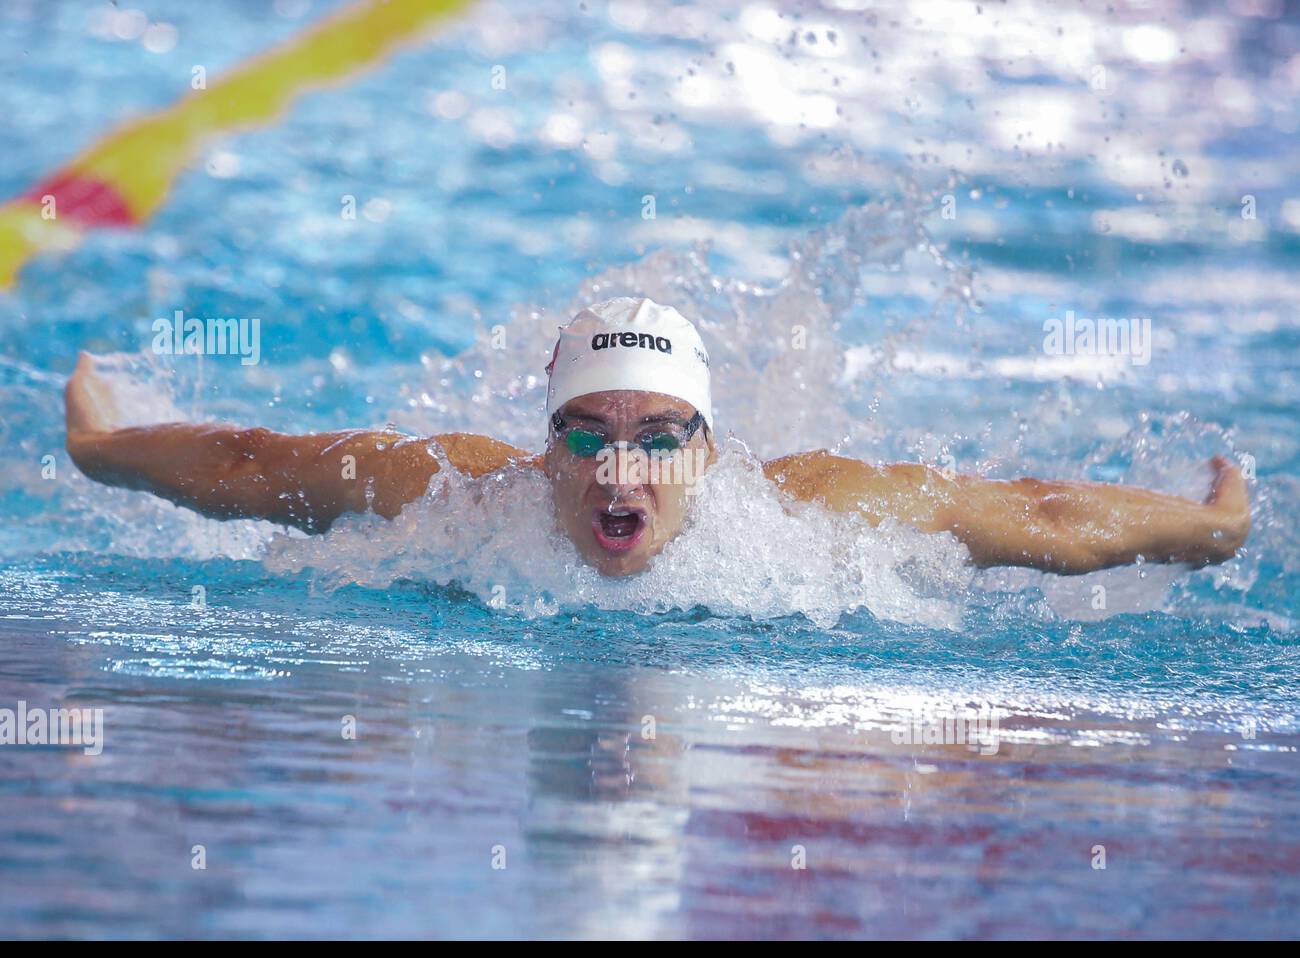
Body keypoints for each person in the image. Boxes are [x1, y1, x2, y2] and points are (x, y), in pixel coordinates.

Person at [64, 296, 1250, 578]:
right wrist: (102, 447)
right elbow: (253, 463)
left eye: (660, 435)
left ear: (712, 451)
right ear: (542, 447)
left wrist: (1210, 525)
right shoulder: (457, 497)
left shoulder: (807, 520)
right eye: (584, 436)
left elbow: (1036, 513)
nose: (619, 468)